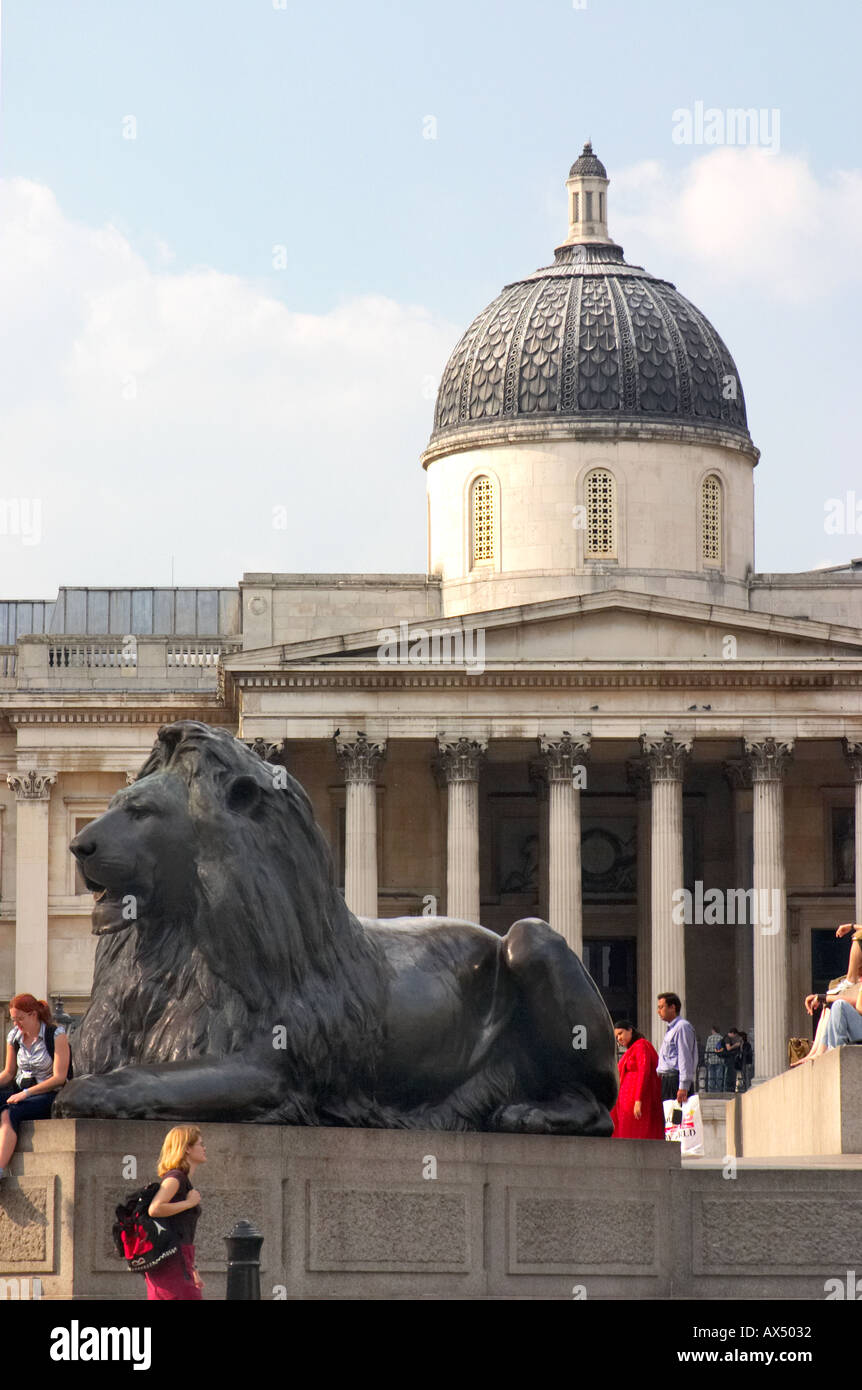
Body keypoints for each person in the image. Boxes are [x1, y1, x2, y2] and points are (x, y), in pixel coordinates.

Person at [0, 993, 71, 1181]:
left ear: (33, 1015)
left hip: (47, 1093)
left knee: (10, 1111)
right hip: (20, 1090)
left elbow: (59, 1078)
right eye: (14, 1020)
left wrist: (26, 1093)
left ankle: (0, 1167)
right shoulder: (14, 1037)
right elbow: (8, 1073)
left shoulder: (56, 1035)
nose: (17, 1024)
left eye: (20, 1019)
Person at [144, 1125, 207, 1300]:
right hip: (171, 1263)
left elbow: (179, 1228)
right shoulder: (175, 1178)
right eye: (200, 1144)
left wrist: (193, 1268)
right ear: (187, 1148)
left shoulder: (183, 1180)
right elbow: (155, 1209)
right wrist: (188, 1203)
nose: (204, 1148)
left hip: (179, 1258)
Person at [610, 1020, 664, 1139]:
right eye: (617, 1036)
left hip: (635, 1101)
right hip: (626, 1102)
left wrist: (638, 1100)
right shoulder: (631, 1049)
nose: (619, 1038)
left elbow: (643, 1072)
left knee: (635, 1133)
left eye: (621, 1033)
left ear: (630, 1030)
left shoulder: (641, 1045)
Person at [656, 992, 698, 1104]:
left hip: (675, 1080)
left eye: (661, 1007)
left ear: (672, 1007)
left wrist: (683, 1086)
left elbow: (685, 1057)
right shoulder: (671, 1029)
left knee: (678, 1118)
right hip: (667, 1080)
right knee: (669, 1119)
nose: (658, 1011)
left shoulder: (682, 1027)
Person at [704, 1025, 726, 1092]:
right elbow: (723, 1049)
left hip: (711, 1059)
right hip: (719, 1060)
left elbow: (707, 1049)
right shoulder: (721, 1038)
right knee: (719, 1077)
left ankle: (711, 1091)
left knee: (711, 1077)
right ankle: (718, 1090)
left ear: (713, 1030)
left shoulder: (710, 1038)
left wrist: (706, 1058)